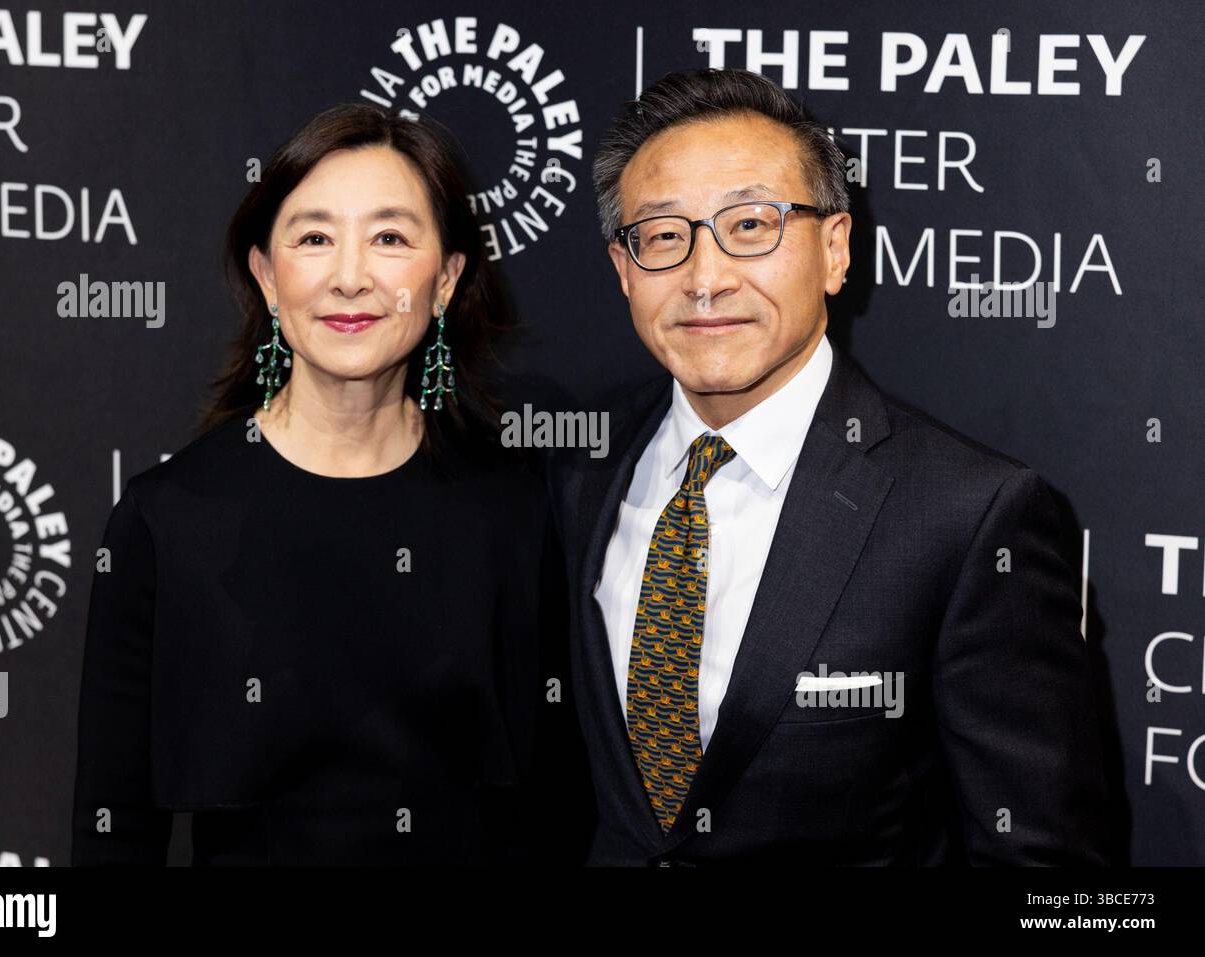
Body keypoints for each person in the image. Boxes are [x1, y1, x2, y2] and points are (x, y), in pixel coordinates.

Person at [544, 67, 1111, 865]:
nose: (707, 279)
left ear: (835, 249)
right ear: (624, 268)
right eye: (665, 236)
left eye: (752, 224)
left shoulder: (972, 515)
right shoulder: (579, 473)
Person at [71, 104, 590, 865]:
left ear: (446, 280)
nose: (351, 277)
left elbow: (556, 813)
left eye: (389, 238)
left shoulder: (516, 506)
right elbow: (112, 834)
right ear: (267, 277)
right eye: (314, 238)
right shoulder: (167, 519)